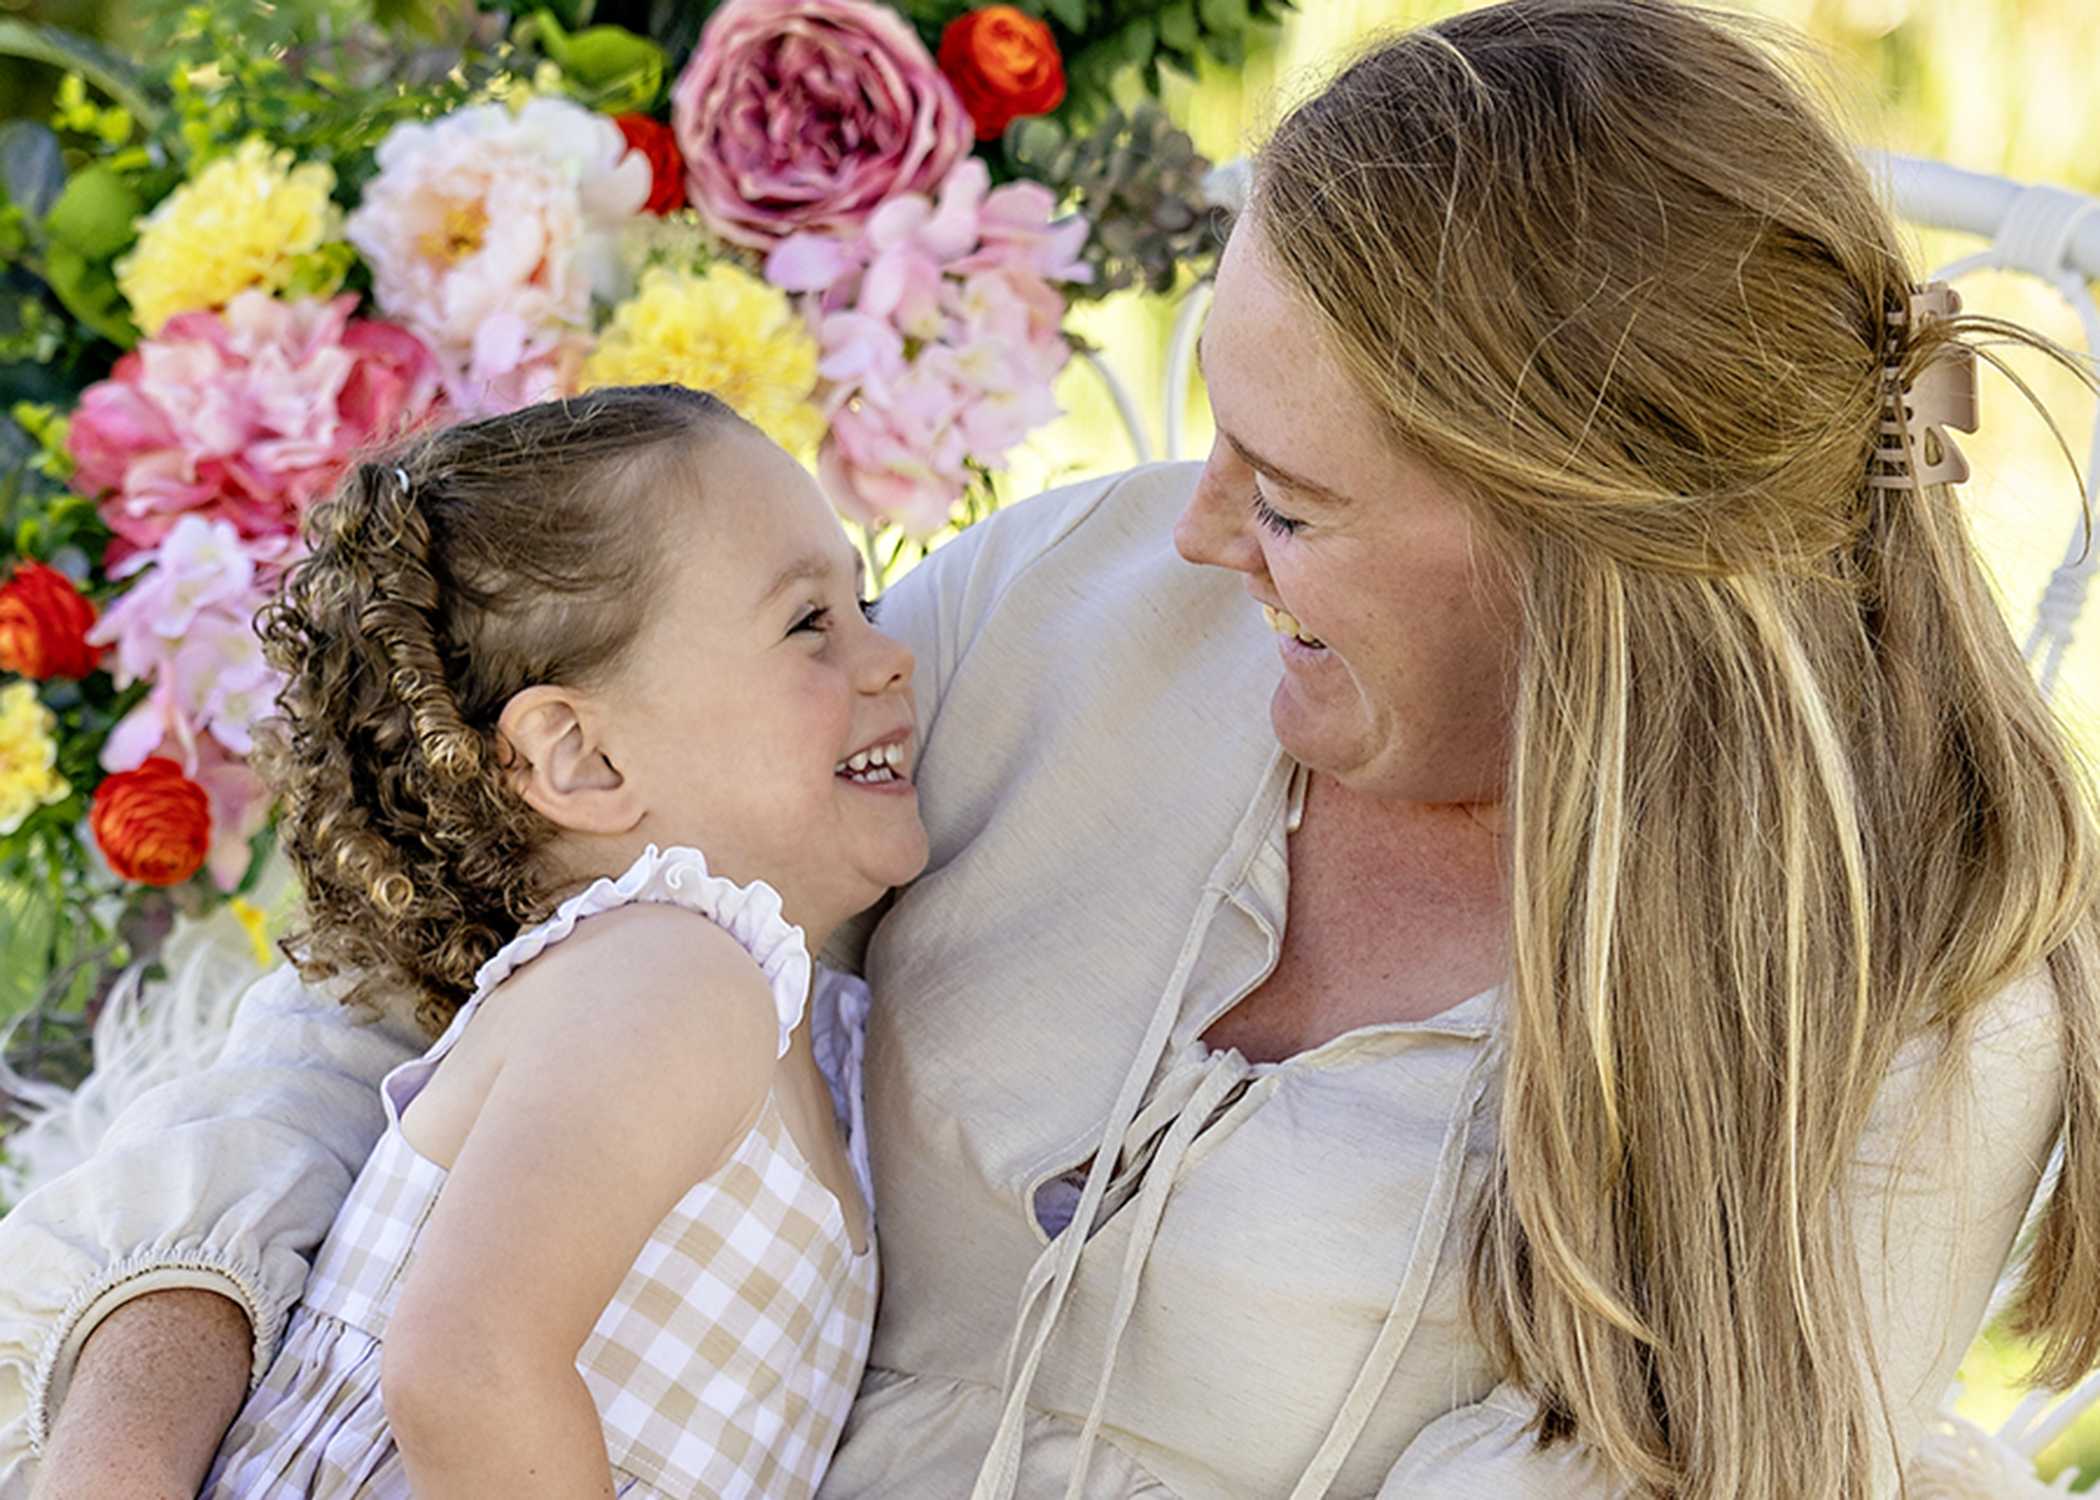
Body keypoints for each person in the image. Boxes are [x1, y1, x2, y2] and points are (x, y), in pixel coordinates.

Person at [4, 1, 2099, 1497]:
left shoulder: (1885, 1019)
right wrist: (127, 1432)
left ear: (1591, 555)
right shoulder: (1080, 610)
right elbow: (429, 1011)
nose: (1195, 538)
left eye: (1288, 501)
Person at [173, 384, 924, 1498]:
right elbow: (470, 1370)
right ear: (582, 758)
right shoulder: (671, 974)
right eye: (810, 623)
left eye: (865, 602)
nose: (891, 657)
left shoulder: (802, 1023)